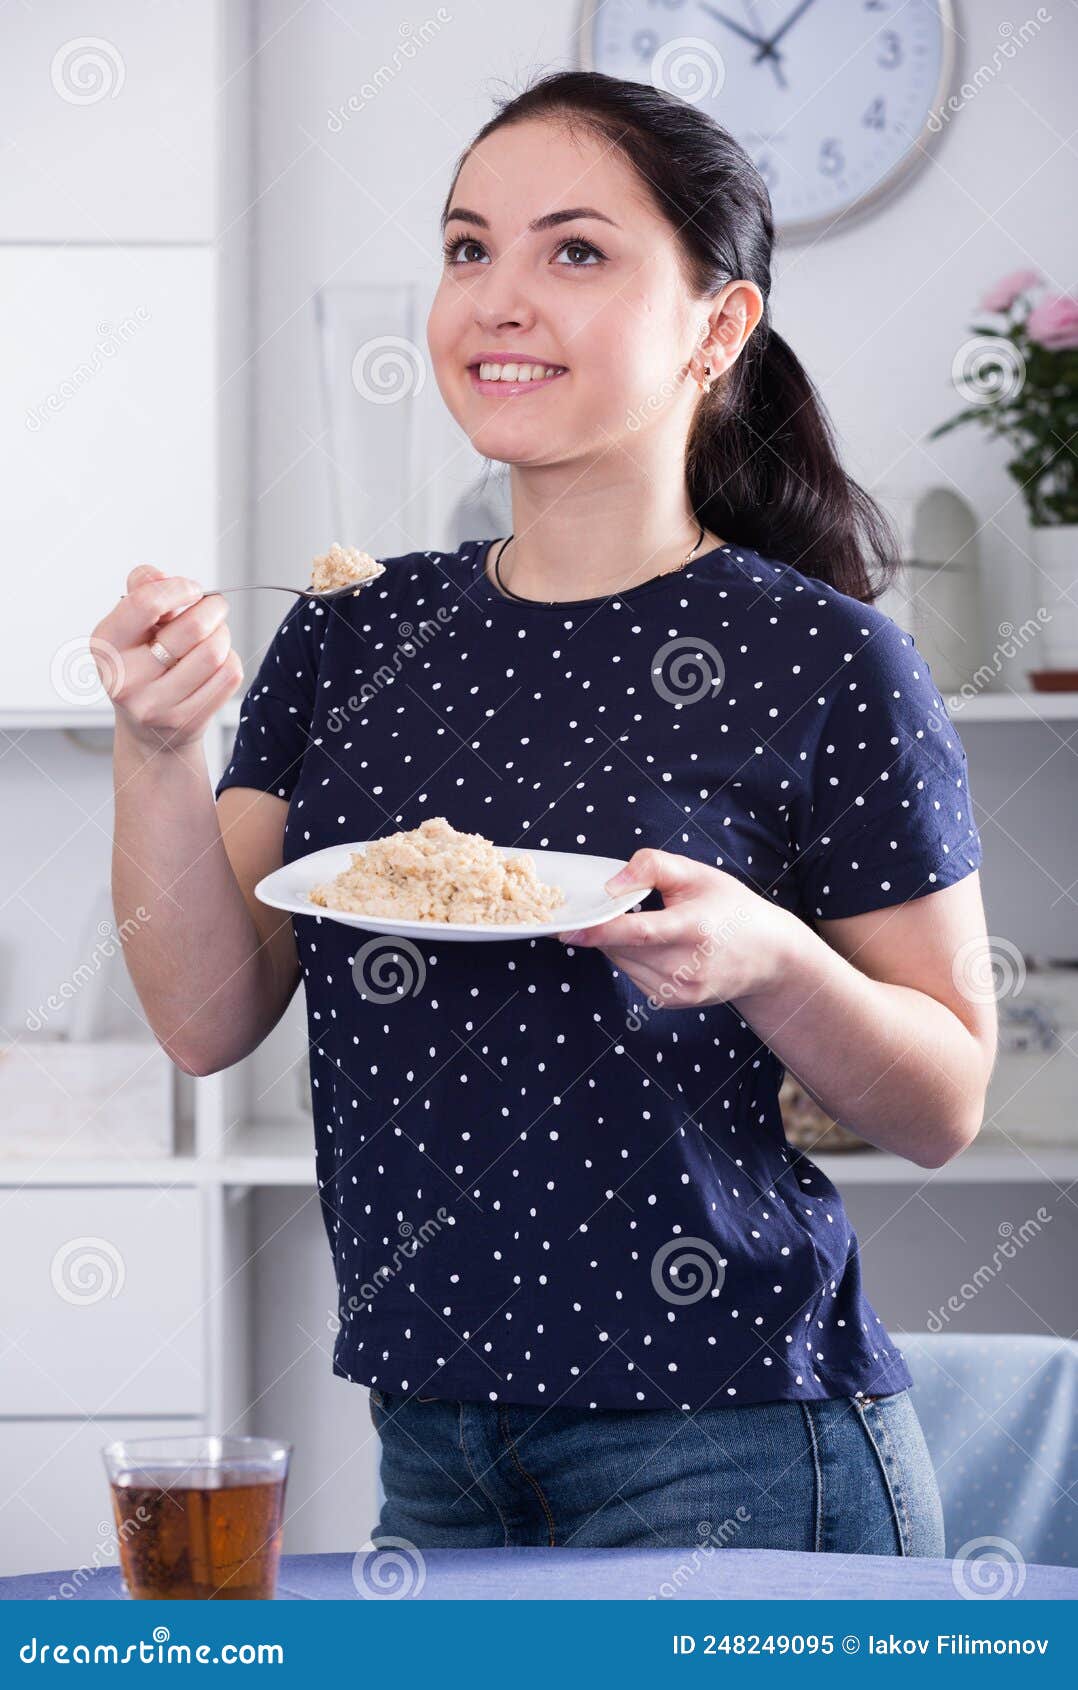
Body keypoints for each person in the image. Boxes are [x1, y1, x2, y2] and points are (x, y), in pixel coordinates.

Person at [98, 70, 996, 1556]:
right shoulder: (350, 631)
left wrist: (772, 959)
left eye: (575, 250)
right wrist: (153, 745)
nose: (497, 298)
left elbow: (944, 1102)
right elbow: (205, 1017)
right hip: (433, 1438)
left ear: (718, 327)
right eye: (468, 248)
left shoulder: (823, 656)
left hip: (733, 1437)